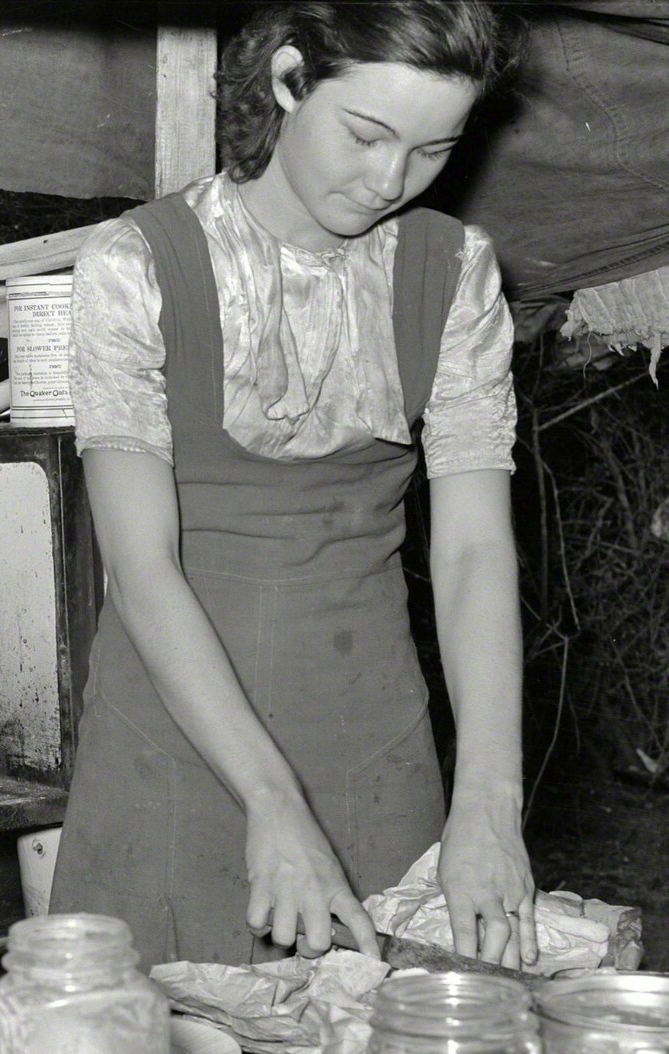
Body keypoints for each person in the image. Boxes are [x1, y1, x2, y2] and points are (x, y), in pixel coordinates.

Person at [49, 0, 535, 971]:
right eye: (365, 134)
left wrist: (488, 800)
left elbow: (474, 547)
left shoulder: (454, 273)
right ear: (285, 79)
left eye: (433, 149)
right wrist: (271, 801)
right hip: (173, 758)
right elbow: (139, 568)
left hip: (374, 753)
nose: (389, 179)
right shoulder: (134, 267)